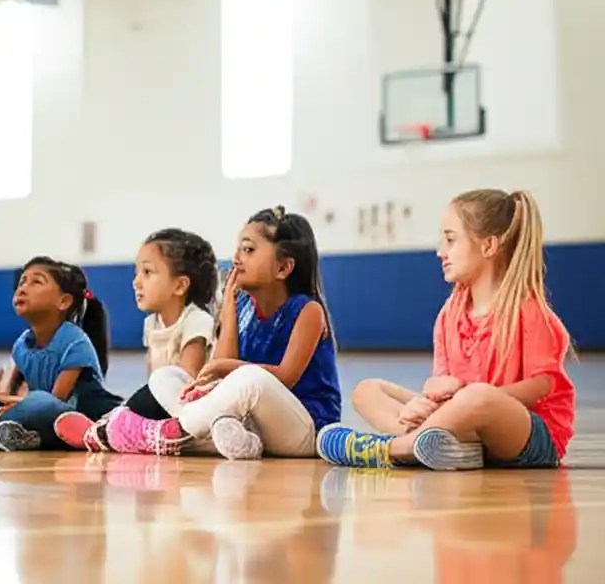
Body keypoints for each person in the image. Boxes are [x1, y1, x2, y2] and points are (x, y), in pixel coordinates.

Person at [318, 189, 576, 470]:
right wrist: (426, 403)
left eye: (451, 240)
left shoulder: (529, 311)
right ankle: (446, 447)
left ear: (488, 246)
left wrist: (465, 400)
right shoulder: (449, 315)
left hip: (525, 434)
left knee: (479, 397)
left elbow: (542, 385)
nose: (440, 251)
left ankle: (396, 448)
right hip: (468, 421)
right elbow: (439, 381)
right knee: (367, 390)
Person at [130, 207, 342, 460]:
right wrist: (229, 305)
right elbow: (219, 373)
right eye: (238, 249)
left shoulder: (308, 311)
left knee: (251, 378)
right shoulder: (242, 308)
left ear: (283, 268)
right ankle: (232, 440)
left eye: (249, 250)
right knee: (167, 377)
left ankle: (168, 431)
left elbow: (284, 378)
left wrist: (225, 368)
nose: (237, 258)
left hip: (304, 429)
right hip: (253, 424)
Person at [54, 227, 219, 454]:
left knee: (160, 384)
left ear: (180, 285)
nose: (136, 282)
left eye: (148, 272)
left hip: (189, 406)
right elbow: (152, 379)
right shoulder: (152, 323)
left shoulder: (196, 320)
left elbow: (186, 380)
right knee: (130, 404)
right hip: (164, 404)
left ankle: (105, 432)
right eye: (137, 272)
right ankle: (120, 430)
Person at [0, 257, 121, 451]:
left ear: (64, 301)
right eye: (22, 282)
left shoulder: (74, 340)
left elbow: (57, 401)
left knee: (39, 401)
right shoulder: (21, 345)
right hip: (36, 413)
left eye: (36, 282)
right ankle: (7, 429)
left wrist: (12, 405)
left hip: (72, 414)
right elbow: (6, 395)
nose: (22, 288)